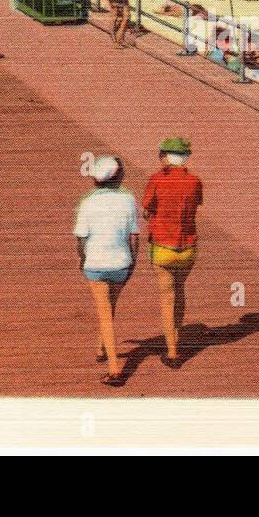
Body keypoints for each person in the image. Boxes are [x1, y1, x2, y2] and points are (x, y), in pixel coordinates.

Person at [73, 155, 139, 386]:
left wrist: (82, 260)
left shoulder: (87, 202)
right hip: (121, 263)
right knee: (110, 307)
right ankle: (101, 348)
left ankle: (115, 370)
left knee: (105, 313)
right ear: (119, 177)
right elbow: (134, 236)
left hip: (96, 264)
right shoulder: (129, 200)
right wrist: (133, 262)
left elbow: (81, 238)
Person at [142, 137, 204, 368]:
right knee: (180, 291)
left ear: (165, 156)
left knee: (167, 298)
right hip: (187, 248)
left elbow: (147, 208)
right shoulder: (195, 181)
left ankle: (173, 351)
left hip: (162, 248)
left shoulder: (157, 179)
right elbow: (195, 205)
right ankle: (176, 338)